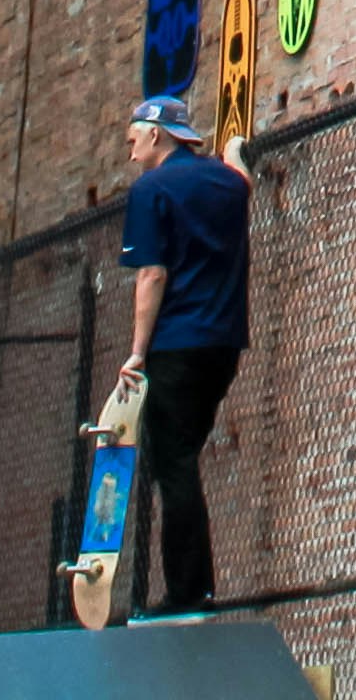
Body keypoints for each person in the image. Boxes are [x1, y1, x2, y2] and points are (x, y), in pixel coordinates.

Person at [113, 95, 254, 622]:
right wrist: (236, 149)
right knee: (183, 457)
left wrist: (135, 354)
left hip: (175, 345)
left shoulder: (151, 190)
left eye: (132, 142)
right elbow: (243, 176)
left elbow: (151, 275)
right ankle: (196, 588)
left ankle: (187, 594)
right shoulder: (226, 183)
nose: (131, 155)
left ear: (154, 135)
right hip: (224, 346)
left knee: (172, 463)